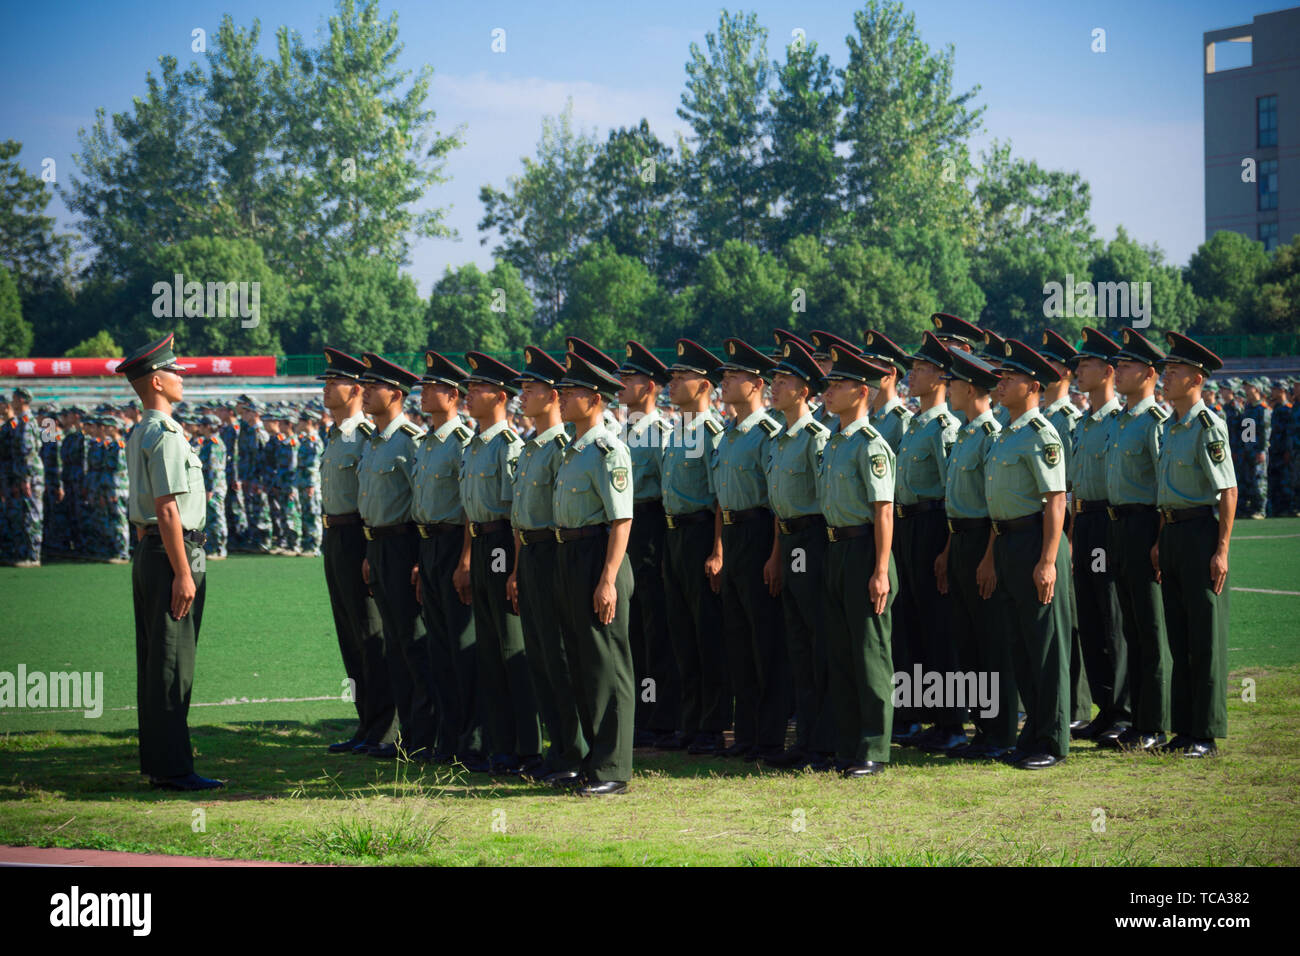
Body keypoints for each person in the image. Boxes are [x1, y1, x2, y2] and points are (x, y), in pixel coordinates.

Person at [118, 332, 222, 791]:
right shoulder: (164, 433)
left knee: (157, 659)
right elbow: (166, 509)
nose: (182, 377)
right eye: (176, 371)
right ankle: (174, 768)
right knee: (172, 663)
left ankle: (161, 762)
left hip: (152, 551)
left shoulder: (142, 429)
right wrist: (184, 572)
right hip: (171, 553)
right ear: (157, 381)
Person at [552, 349, 638, 795]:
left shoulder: (609, 449)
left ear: (596, 399)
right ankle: (594, 758)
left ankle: (613, 768)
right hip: (570, 555)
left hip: (598, 557)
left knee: (607, 663)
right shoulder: (574, 448)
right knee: (583, 663)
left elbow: (621, 519)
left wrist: (607, 578)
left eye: (571, 392)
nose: (562, 398)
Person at [984, 338, 1072, 769]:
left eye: (1010, 377)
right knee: (1020, 644)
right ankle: (1032, 731)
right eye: (1000, 376)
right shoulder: (1007, 433)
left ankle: (1052, 740)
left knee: (1045, 645)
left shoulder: (1042, 433)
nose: (1000, 383)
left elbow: (1056, 499)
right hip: (1007, 541)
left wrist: (1048, 560)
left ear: (1033, 385)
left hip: (1034, 542)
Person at [1153, 333, 1237, 758]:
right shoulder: (1169, 427)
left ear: (1196, 379)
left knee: (1204, 637)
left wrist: (1221, 549)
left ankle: (1204, 732)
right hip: (1171, 533)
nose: (1166, 378)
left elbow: (1228, 491)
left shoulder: (1209, 425)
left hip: (1200, 533)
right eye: (1165, 371)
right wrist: (1159, 540)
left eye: (1174, 372)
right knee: (1179, 633)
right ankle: (1182, 730)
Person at [934, 348, 1018, 760]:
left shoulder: (989, 435)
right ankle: (981, 730)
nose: (947, 389)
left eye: (952, 383)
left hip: (985, 541)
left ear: (969, 388)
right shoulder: (966, 433)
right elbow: (957, 501)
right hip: (961, 541)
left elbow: (990, 505)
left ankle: (1000, 733)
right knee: (966, 641)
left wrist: (988, 558)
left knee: (990, 642)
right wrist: (949, 550)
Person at [505, 345, 584, 782]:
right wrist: (517, 567)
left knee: (559, 656)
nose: (522, 394)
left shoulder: (560, 448)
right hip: (531, 554)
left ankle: (574, 753)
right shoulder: (532, 446)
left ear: (553, 395)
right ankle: (557, 751)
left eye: (530, 388)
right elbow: (521, 516)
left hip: (555, 554)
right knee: (540, 657)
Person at [459, 351, 541, 775]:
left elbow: (514, 514)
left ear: (499, 396)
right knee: (488, 649)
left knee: (510, 646)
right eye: (469, 388)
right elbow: (471, 511)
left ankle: (527, 746)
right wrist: (465, 560)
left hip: (502, 546)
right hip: (480, 544)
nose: (468, 395)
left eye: (477, 389)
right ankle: (499, 743)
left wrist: (512, 569)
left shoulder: (508, 446)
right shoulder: (476, 445)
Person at [817, 346, 897, 776]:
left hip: (865, 549)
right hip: (835, 549)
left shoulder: (871, 445)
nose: (828, 392)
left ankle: (874, 747)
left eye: (837, 385)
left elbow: (883, 509)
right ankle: (848, 743)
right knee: (842, 652)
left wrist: (881, 570)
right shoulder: (834, 441)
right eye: (827, 384)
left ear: (860, 391)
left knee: (870, 654)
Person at [319, 348, 397, 757]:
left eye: (335, 382)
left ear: (354, 390)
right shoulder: (334, 436)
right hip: (334, 537)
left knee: (371, 634)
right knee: (350, 635)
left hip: (357, 537)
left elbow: (373, 497)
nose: (328, 388)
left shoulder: (366, 437)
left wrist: (368, 548)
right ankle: (365, 723)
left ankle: (385, 728)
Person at [356, 353, 434, 761]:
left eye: (374, 387)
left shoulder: (409, 441)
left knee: (413, 642)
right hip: (380, 546)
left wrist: (419, 560)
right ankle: (405, 735)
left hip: (404, 547)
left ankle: (424, 734)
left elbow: (419, 504)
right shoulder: (373, 441)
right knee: (395, 646)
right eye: (365, 386)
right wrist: (370, 551)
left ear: (397, 394)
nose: (366, 393)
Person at [762, 338, 834, 770]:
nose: (775, 385)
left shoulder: (816, 438)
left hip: (812, 540)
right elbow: (778, 502)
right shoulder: (781, 438)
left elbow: (825, 501)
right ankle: (806, 739)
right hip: (788, 541)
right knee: (798, 645)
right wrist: (776, 553)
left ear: (805, 390)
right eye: (775, 378)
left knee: (817, 638)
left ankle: (824, 741)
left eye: (784, 380)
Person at [713, 338, 787, 761]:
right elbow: (721, 499)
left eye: (732, 376)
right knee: (738, 638)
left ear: (755, 384)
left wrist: (776, 554)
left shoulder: (766, 434)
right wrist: (720, 549)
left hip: (761, 534)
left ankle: (771, 736)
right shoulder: (729, 434)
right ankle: (745, 734)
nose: (724, 382)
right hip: (733, 535)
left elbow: (776, 501)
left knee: (766, 640)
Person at [410, 351, 484, 770]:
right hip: (430, 546)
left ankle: (471, 739)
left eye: (430, 387)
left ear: (452, 395)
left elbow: (469, 507)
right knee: (438, 647)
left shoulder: (462, 443)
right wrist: (422, 559)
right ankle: (448, 735)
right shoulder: (427, 443)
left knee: (462, 646)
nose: (422, 393)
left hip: (458, 544)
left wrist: (468, 559)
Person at [1102, 328, 1171, 752]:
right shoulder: (1121, 421)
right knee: (1131, 626)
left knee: (1150, 627)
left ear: (1148, 373)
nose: (1119, 371)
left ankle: (1155, 722)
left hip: (1146, 525)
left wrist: (1160, 540)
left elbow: (1164, 486)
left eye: (1126, 366)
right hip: (1118, 527)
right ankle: (1138, 720)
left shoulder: (1154, 422)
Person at [657, 339, 727, 754]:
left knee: (707, 633)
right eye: (672, 376)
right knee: (681, 632)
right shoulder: (676, 430)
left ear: (703, 385)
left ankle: (712, 725)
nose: (673, 382)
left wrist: (718, 550)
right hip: (674, 535)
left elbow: (718, 497)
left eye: (681, 376)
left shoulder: (711, 431)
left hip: (701, 532)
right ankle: (690, 720)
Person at [894, 332, 962, 751]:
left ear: (940, 376)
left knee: (940, 630)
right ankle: (919, 717)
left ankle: (952, 724)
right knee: (911, 628)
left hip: (934, 526)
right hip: (908, 527)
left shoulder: (944, 426)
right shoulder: (916, 423)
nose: (911, 374)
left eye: (920, 369)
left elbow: (952, 494)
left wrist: (948, 549)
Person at [1067, 328, 1128, 741]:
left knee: (1110, 614)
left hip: (1108, 522)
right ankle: (1104, 709)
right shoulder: (1084, 422)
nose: (1077, 370)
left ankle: (1122, 710)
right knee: (1089, 615)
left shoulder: (1119, 421)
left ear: (1108, 371)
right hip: (1084, 521)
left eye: (1086, 364)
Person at [616, 340, 678, 746]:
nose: (621, 385)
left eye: (629, 378)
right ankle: (639, 713)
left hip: (651, 528)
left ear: (650, 386)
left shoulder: (662, 433)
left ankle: (661, 717)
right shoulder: (619, 431)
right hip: (625, 530)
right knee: (631, 626)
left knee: (657, 627)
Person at [1039, 329, 1092, 732]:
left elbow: (1068, 487)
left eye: (1048, 365)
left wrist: (1066, 538)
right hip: (1044, 526)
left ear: (1062, 371)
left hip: (1064, 525)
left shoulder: (1068, 419)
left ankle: (1076, 704)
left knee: (1070, 620)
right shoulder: (1044, 418)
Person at [860, 330, 914, 454]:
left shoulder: (903, 420)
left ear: (891, 373)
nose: (864, 373)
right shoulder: (865, 416)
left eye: (871, 366)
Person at [9, 387, 45, 567]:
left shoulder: (27, 422)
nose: (12, 401)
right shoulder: (21, 422)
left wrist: (26, 479)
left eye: (14, 398)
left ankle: (34, 556)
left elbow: (28, 453)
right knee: (25, 514)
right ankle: (27, 553)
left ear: (22, 400)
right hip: (23, 475)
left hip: (31, 476)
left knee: (33, 514)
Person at [1237, 379, 1270, 518]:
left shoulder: (1263, 409)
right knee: (1248, 480)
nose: (1246, 390)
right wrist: (1244, 448)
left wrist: (1262, 450)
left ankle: (1260, 510)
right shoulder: (1248, 408)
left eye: (1248, 387)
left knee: (1259, 480)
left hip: (1257, 451)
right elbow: (1245, 431)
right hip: (1247, 450)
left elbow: (1265, 432)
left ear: (1256, 389)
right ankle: (1249, 508)